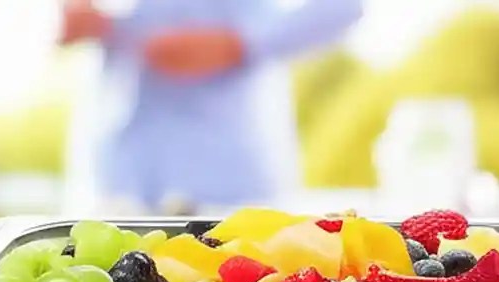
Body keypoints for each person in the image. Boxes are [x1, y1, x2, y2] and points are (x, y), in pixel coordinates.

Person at [60, 0, 363, 213]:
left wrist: (243, 44)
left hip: (225, 178)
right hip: (120, 178)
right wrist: (79, 17)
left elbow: (344, 6)